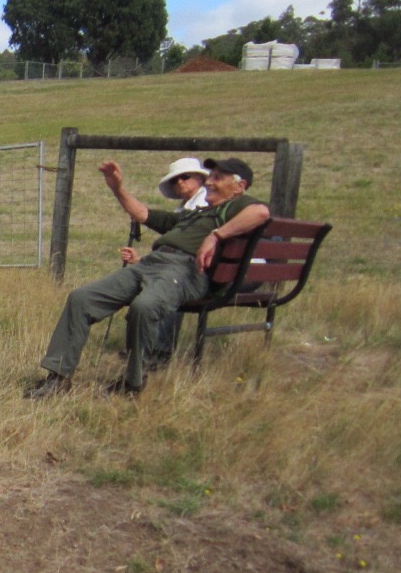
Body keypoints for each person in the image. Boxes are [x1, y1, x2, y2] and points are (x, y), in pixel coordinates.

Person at [26, 157, 270, 399]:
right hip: (150, 265)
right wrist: (117, 188)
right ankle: (57, 379)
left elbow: (261, 212)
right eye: (210, 177)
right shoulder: (195, 215)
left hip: (183, 270)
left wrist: (216, 236)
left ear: (240, 186)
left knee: (145, 306)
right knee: (81, 298)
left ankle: (132, 384)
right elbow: (143, 214)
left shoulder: (234, 207)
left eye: (218, 178)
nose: (209, 182)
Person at [121, 158, 210, 363]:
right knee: (164, 280)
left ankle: (155, 350)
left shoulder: (203, 206)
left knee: (169, 284)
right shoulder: (187, 209)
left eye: (184, 177)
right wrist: (142, 260)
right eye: (175, 180)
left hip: (204, 274)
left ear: (199, 178)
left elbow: (188, 253)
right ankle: (146, 347)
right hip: (205, 269)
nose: (179, 182)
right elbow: (181, 253)